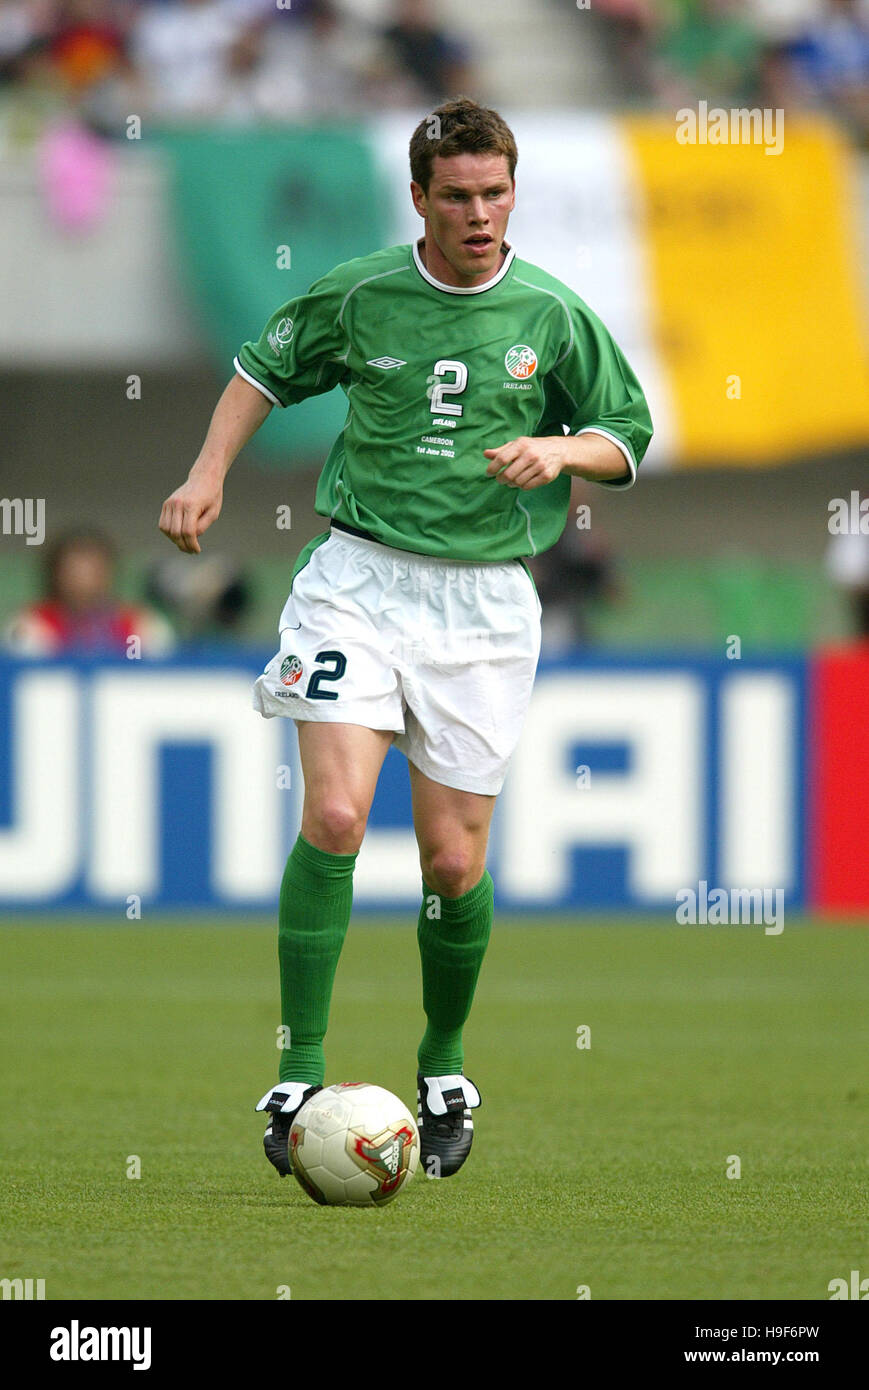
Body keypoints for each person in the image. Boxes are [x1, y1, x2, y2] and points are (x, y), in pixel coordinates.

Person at [158, 97, 653, 1181]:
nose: (479, 215)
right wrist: (207, 473)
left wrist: (561, 451)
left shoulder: (551, 313)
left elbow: (627, 433)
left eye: (495, 194)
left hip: (483, 607)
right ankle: (297, 1068)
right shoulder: (365, 292)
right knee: (334, 814)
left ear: (510, 194)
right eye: (458, 196)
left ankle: (442, 1066)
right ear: (420, 197)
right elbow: (261, 368)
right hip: (358, 582)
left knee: (451, 859)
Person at [5, 526, 174, 655]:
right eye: (74, 571)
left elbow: (158, 673)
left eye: (93, 570)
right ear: (56, 574)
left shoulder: (139, 623)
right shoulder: (30, 624)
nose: (84, 580)